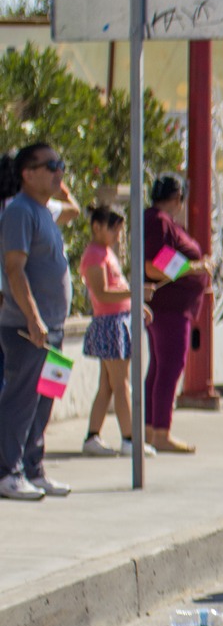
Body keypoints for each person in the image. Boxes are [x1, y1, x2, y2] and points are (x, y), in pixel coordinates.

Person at [1, 141, 77, 500]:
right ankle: (8, 472)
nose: (59, 171)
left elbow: (73, 211)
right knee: (22, 401)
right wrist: (33, 318)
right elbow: (14, 270)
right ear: (27, 174)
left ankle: (34, 468)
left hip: (54, 329)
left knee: (46, 400)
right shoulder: (20, 211)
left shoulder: (46, 211)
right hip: (29, 329)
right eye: (51, 166)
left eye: (60, 164)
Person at [141, 173, 212, 455]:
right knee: (169, 368)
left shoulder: (161, 221)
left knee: (160, 368)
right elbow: (154, 264)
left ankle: (152, 428)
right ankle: (161, 431)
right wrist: (196, 268)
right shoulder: (159, 220)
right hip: (170, 310)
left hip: (170, 308)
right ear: (177, 198)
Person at [79, 206, 152, 458]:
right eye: (114, 229)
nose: (118, 236)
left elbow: (116, 288)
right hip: (109, 324)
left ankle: (93, 436)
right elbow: (101, 292)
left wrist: (137, 303)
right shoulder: (94, 255)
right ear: (97, 227)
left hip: (117, 322)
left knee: (108, 385)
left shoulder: (106, 252)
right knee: (120, 383)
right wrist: (136, 294)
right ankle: (130, 438)